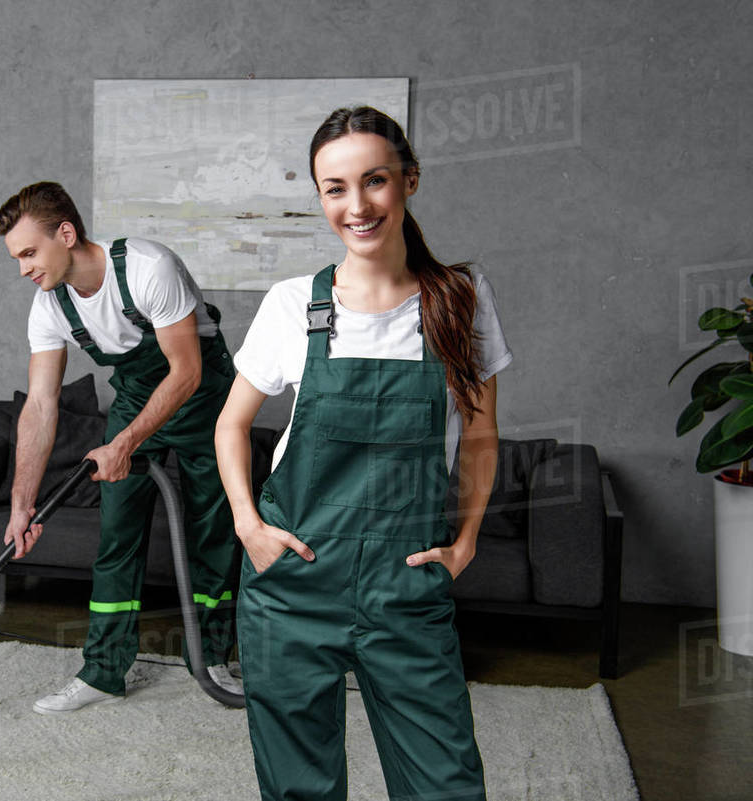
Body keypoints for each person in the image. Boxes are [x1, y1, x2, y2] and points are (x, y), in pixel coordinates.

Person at [214, 107, 512, 800]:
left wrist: (465, 541)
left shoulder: (459, 300)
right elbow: (230, 426)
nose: (357, 205)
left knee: (445, 783)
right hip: (293, 580)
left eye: (374, 181)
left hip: (404, 582)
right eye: (335, 188)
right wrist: (247, 526)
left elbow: (480, 433)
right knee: (299, 786)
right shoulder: (295, 305)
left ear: (409, 180)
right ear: (320, 197)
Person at [0, 181, 242, 714]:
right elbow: (40, 406)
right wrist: (22, 504)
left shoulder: (149, 268)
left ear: (66, 233)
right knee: (118, 532)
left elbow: (187, 371)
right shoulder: (49, 307)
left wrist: (124, 443)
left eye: (29, 253)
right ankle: (104, 671)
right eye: (17, 258)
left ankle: (215, 656)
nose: (23, 269)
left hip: (204, 398)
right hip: (134, 396)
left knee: (213, 531)